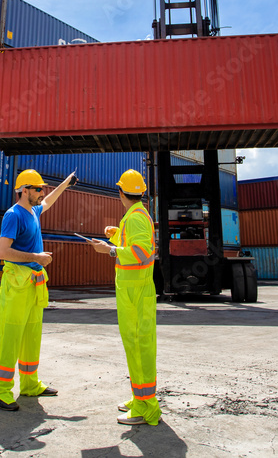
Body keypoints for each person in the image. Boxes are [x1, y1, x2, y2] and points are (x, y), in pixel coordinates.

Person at [0, 168, 76, 412]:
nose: (42, 192)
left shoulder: (34, 211)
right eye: (38, 189)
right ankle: (0, 392)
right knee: (10, 336)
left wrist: (65, 183)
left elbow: (49, 201)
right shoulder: (13, 215)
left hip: (34, 283)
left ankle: (29, 384)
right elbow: (3, 252)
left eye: (42, 188)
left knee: (31, 336)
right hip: (17, 284)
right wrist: (36, 256)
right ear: (24, 190)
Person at [90, 169, 161, 426]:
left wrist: (110, 250)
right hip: (133, 290)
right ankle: (139, 397)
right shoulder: (134, 215)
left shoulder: (136, 218)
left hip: (136, 291)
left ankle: (147, 407)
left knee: (139, 346)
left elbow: (141, 252)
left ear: (121, 192)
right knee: (134, 345)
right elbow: (133, 243)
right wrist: (116, 234)